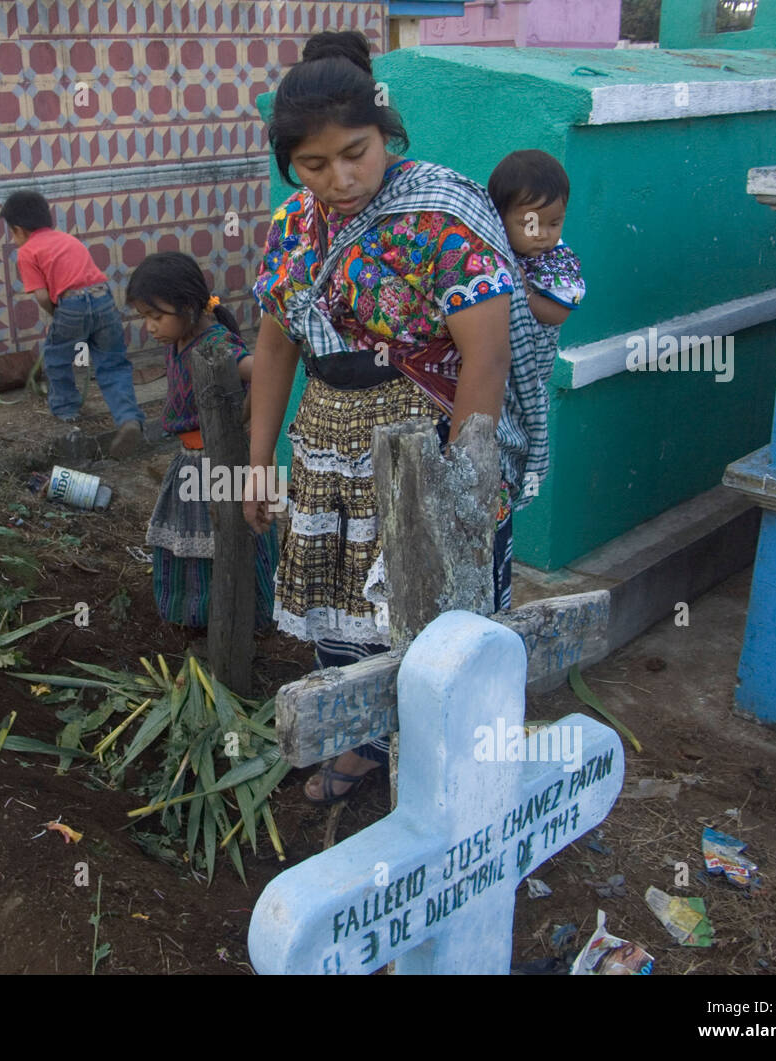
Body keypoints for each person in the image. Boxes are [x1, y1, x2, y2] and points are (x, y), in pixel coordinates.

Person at [242, 30, 551, 803]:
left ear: (387, 135)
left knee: (434, 598)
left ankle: (455, 742)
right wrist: (258, 458)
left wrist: (459, 476)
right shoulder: (290, 229)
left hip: (425, 436)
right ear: (289, 164)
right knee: (343, 599)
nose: (340, 178)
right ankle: (365, 738)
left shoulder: (439, 212)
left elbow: (486, 357)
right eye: (313, 164)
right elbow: (276, 347)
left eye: (356, 151)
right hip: (326, 444)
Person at [126, 252, 279, 629]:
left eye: (156, 316)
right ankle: (200, 621)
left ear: (189, 308)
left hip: (220, 464)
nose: (149, 326)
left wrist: (241, 417)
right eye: (145, 317)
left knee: (230, 545)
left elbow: (264, 370)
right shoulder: (180, 341)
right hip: (190, 461)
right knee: (192, 545)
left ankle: (241, 624)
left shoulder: (214, 344)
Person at [0, 190, 145, 459]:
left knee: (56, 356)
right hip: (103, 297)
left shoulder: (27, 251)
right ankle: (128, 419)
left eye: (11, 232)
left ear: (18, 229)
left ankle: (66, 409)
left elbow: (42, 295)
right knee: (112, 363)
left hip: (72, 303)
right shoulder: (67, 239)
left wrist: (58, 313)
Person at [487, 149, 586, 332]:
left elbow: (559, 315)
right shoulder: (488, 246)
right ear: (499, 216)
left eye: (554, 224)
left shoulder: (556, 262)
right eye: (530, 224)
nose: (543, 235)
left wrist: (525, 294)